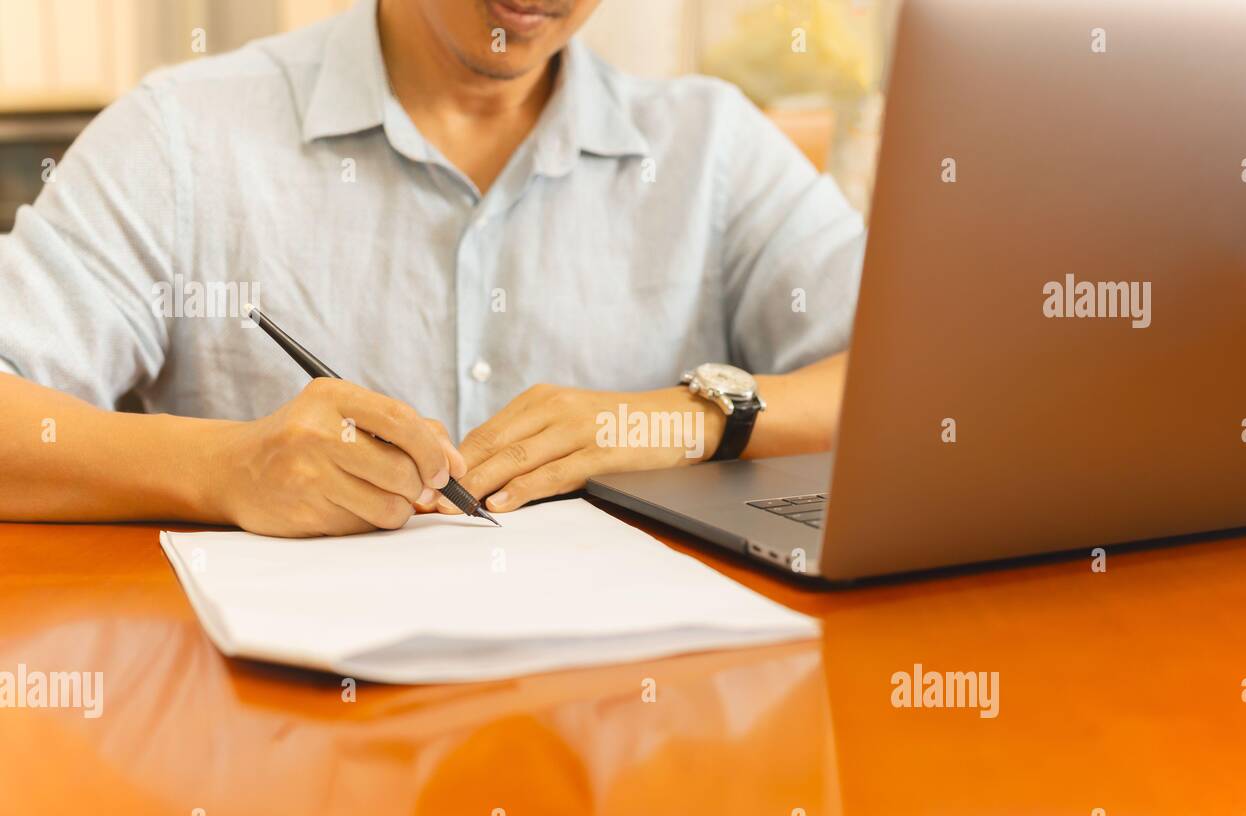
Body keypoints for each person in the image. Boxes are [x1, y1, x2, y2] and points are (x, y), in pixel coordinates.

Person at [0, 0, 863, 537]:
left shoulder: (711, 147)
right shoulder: (182, 135)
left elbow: (930, 386)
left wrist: (681, 421)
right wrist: (225, 468)